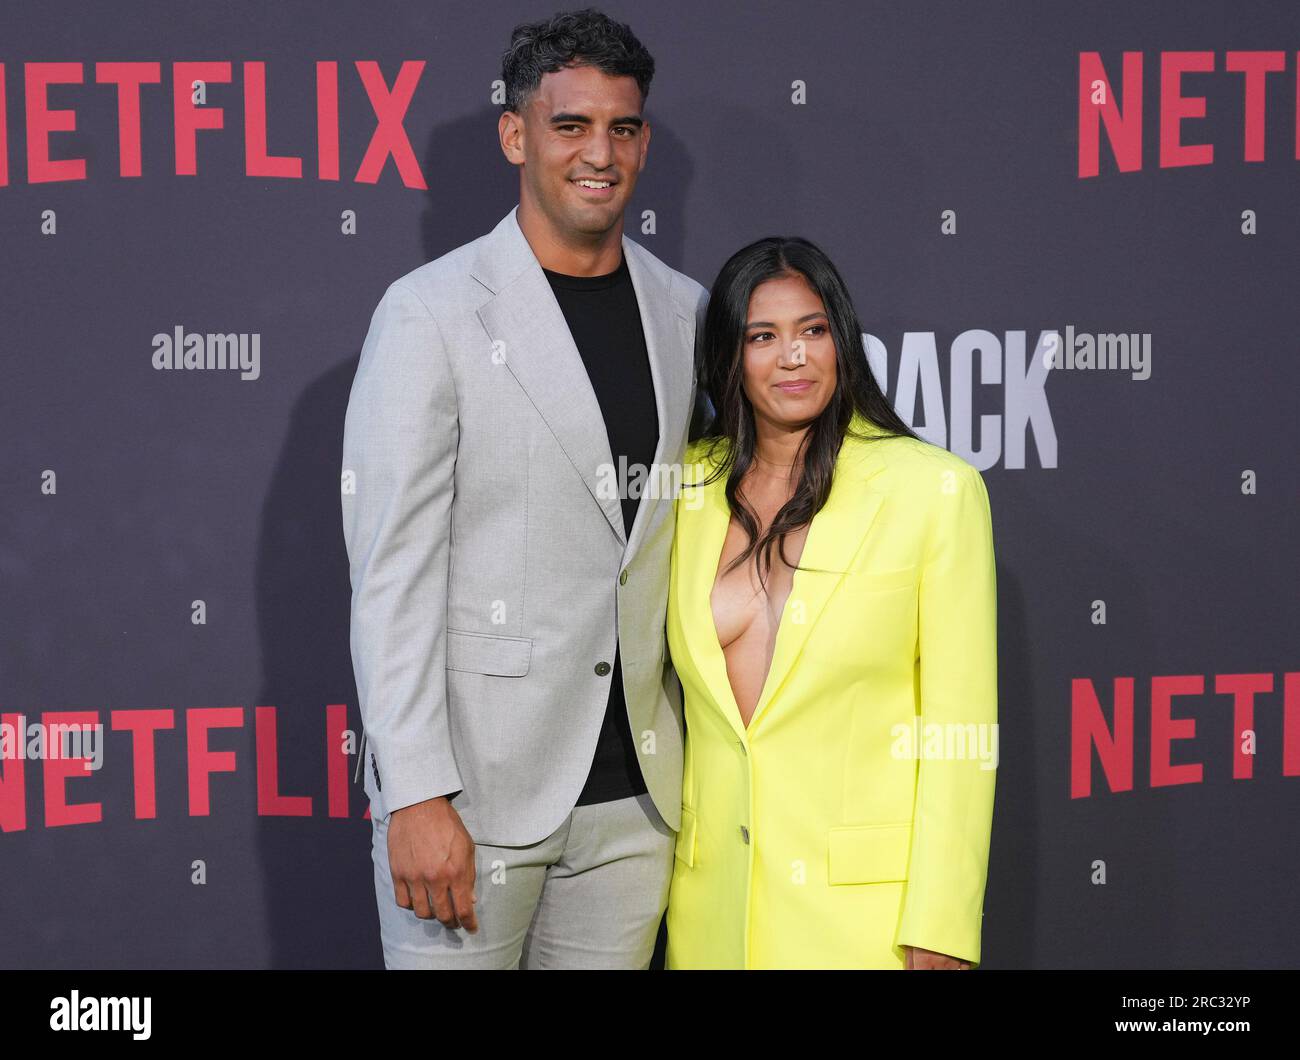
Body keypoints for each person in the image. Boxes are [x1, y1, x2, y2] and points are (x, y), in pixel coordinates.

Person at [340, 9, 708, 968]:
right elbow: (393, 574)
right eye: (570, 125)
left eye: (622, 128)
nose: (600, 153)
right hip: (473, 801)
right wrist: (415, 792)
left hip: (638, 807)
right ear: (515, 133)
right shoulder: (430, 314)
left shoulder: (686, 311)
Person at [663, 236, 998, 969]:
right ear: (728, 357)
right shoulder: (680, 488)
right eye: (763, 336)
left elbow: (959, 734)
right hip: (710, 912)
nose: (794, 358)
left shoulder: (932, 492)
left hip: (865, 917)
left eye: (813, 330)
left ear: (842, 340)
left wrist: (941, 921)